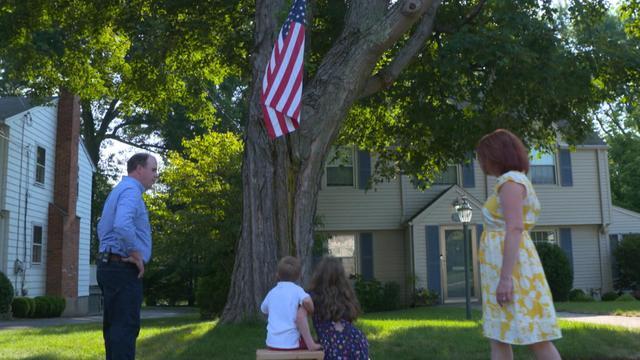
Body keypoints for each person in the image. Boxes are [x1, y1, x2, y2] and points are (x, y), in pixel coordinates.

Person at [476, 129, 562, 360]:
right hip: (503, 268)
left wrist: (505, 279)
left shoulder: (511, 182)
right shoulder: (510, 182)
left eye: (483, 156)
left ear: (496, 155)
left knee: (535, 336)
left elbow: (514, 228)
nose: (481, 162)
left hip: (512, 270)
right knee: (500, 334)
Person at [97, 153, 158, 360]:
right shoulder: (131, 191)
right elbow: (122, 225)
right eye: (153, 169)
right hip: (122, 269)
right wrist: (135, 253)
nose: (155, 175)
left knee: (115, 331)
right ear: (139, 169)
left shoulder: (119, 191)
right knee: (124, 331)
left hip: (110, 267)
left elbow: (102, 228)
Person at [308, 257, 369, 360]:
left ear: (319, 275)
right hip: (356, 340)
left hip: (331, 344)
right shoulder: (347, 294)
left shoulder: (313, 296)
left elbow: (299, 316)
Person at [260, 256, 322, 351]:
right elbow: (307, 301)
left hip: (272, 343)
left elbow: (263, 309)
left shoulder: (272, 292)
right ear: (298, 276)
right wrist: (310, 309)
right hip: (291, 343)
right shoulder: (297, 290)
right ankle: (312, 345)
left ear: (278, 275)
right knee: (311, 343)